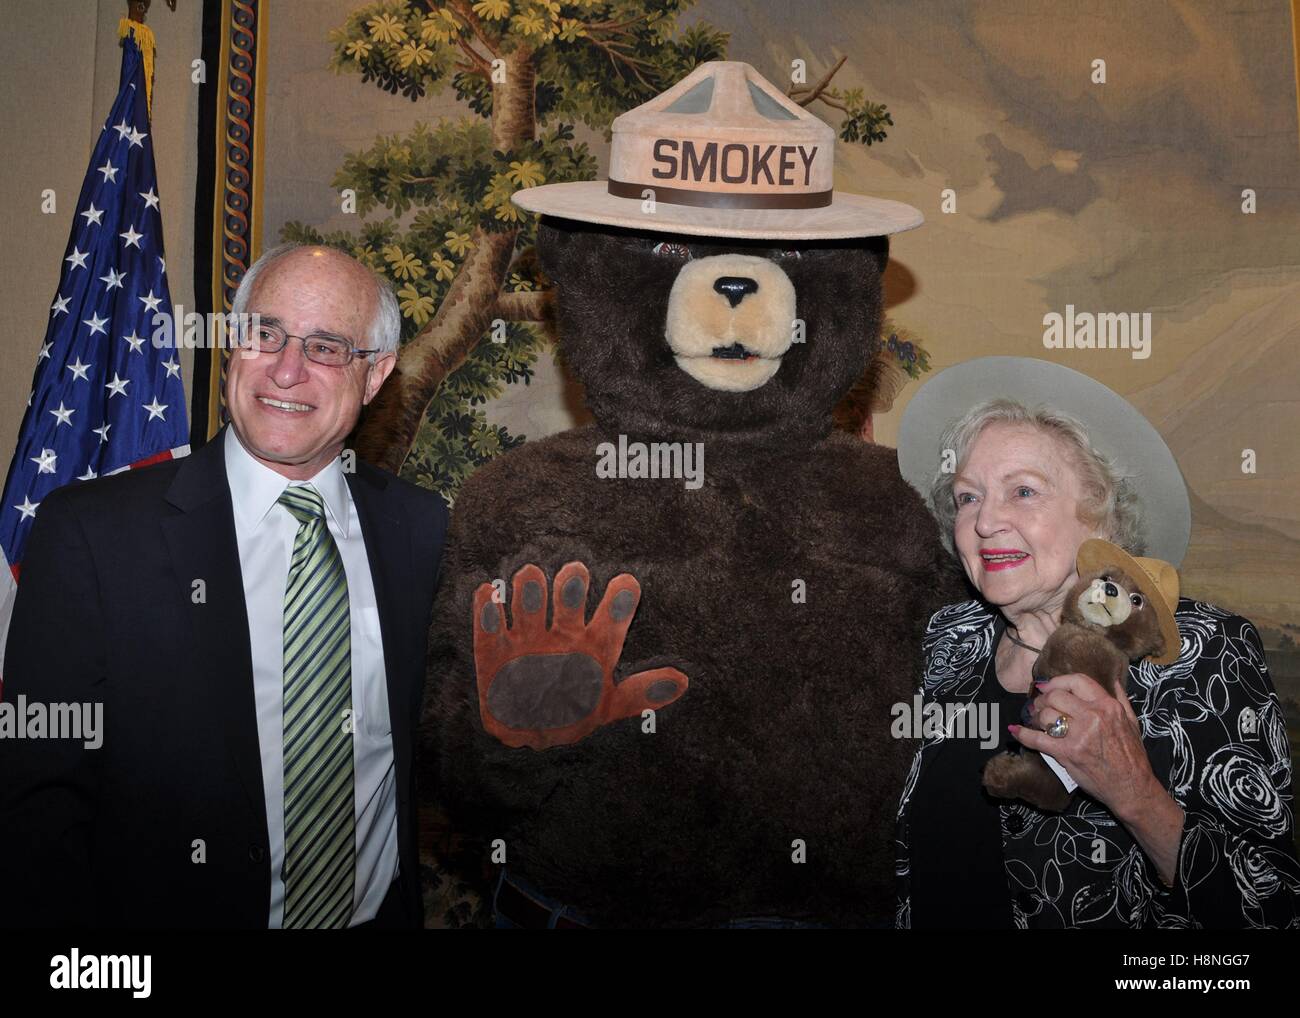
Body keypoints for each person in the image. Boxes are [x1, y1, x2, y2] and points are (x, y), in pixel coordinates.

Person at [0, 244, 448, 928]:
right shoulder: (93, 535)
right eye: (264, 333)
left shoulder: (418, 530)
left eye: (326, 347)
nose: (287, 370)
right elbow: (38, 807)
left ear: (376, 374)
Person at [894, 356, 1300, 928]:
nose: (986, 522)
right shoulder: (946, 642)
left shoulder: (1201, 651)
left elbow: (1270, 907)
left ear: (1100, 520)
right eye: (967, 497)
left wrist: (1134, 793)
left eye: (1024, 492)